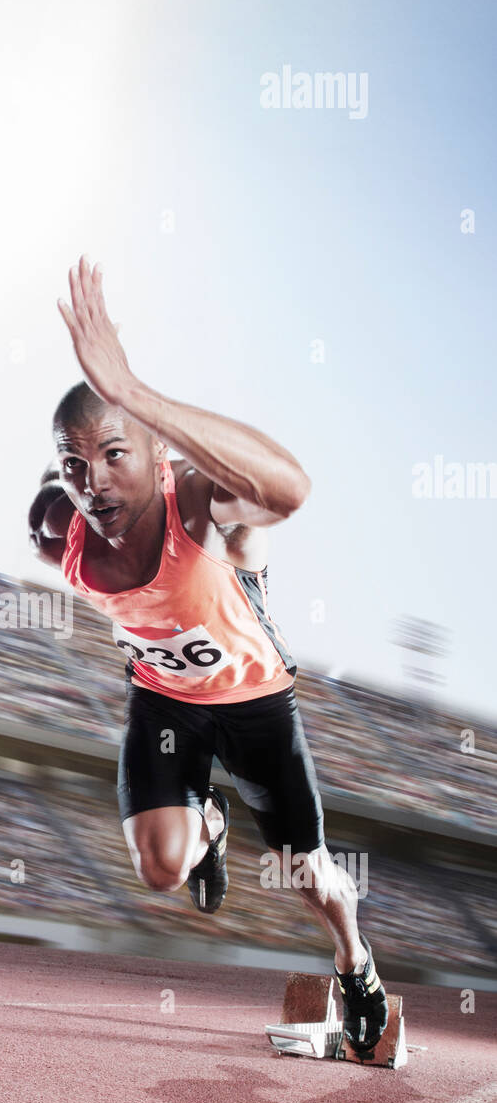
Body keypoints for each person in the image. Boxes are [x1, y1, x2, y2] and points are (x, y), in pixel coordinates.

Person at [29, 256, 388, 1054]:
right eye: (73, 463)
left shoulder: (195, 498)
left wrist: (131, 389)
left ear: (155, 455)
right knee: (159, 870)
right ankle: (209, 827)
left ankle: (354, 961)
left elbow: (286, 490)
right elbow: (66, 527)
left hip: (255, 703)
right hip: (163, 704)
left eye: (113, 454)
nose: (92, 482)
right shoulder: (59, 524)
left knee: (309, 879)